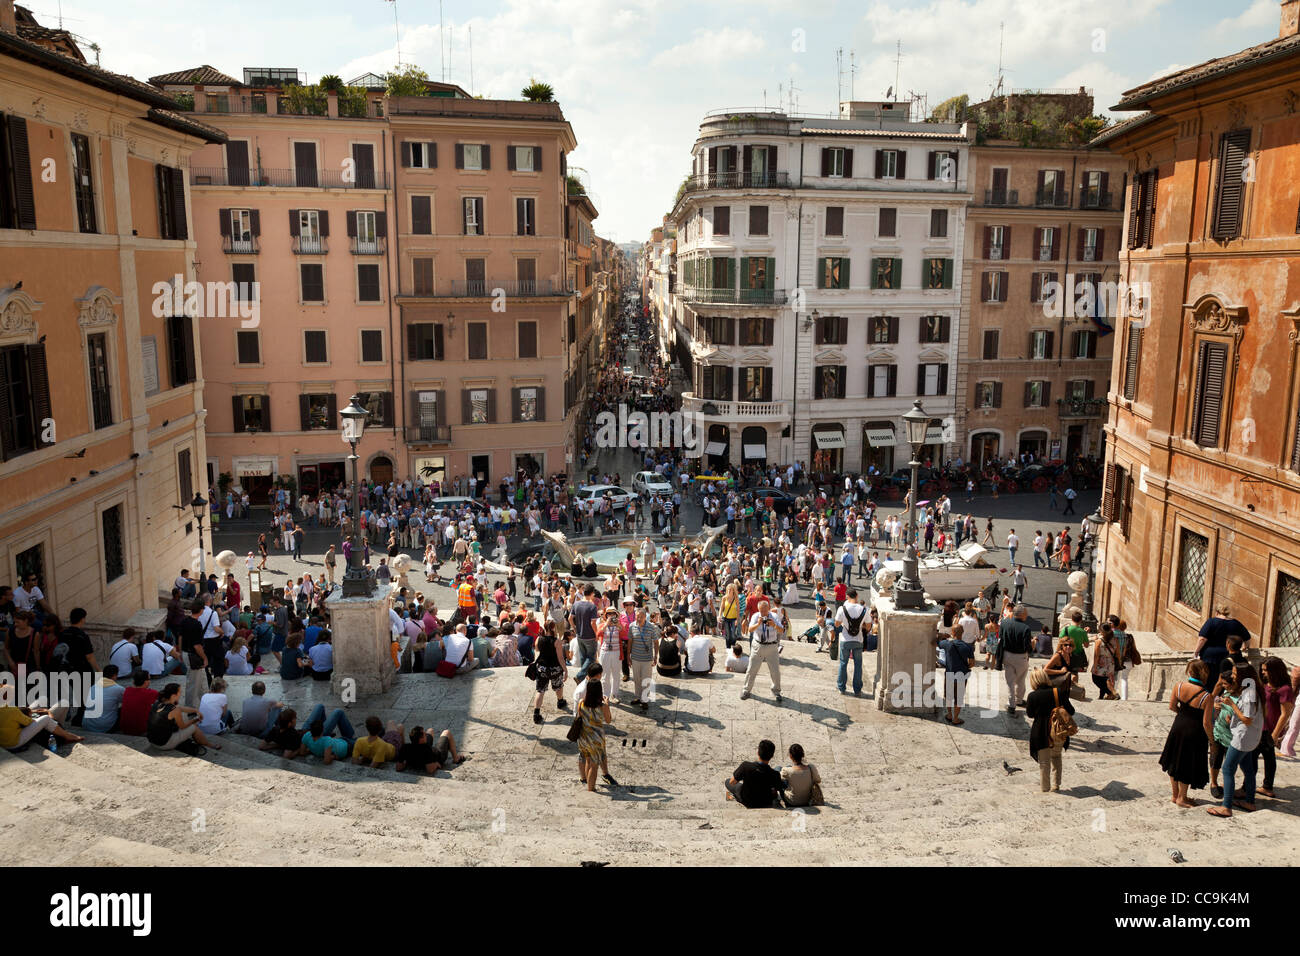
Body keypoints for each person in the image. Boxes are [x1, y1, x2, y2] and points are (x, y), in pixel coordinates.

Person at [1207, 662, 1262, 818]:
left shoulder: (1249, 693)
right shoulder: (1249, 690)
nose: (1233, 676)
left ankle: (1226, 807)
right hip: (1249, 738)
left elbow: (1247, 719)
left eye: (1236, 674)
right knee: (1248, 769)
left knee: (1227, 769)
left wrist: (1232, 705)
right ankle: (1249, 801)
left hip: (1242, 737)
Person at [1158, 660, 1211, 808]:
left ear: (1189, 671)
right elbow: (1207, 723)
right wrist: (1212, 740)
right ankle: (1183, 797)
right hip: (1195, 731)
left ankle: (1175, 795)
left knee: (1174, 760)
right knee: (1187, 763)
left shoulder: (1179, 686)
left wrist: (1183, 714)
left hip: (1178, 726)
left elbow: (1172, 706)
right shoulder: (1207, 696)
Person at [1025, 668, 1073, 793]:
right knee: (1056, 757)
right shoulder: (1057, 692)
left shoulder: (1032, 696)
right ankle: (1056, 785)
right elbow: (1071, 711)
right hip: (1057, 732)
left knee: (1044, 761)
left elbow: (1030, 714)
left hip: (1040, 732)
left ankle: (1045, 788)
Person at [146, 682, 219, 753]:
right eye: (179, 692)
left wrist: (196, 710)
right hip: (163, 744)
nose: (180, 694)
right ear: (174, 695)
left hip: (152, 741)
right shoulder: (174, 710)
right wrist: (195, 720)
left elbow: (180, 708)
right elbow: (183, 726)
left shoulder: (157, 703)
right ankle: (208, 744)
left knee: (182, 715)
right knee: (194, 727)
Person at [1258, 657, 1293, 800]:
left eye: (1266, 670)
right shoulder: (1267, 685)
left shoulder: (1285, 689)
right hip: (1261, 726)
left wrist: (1274, 735)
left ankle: (1260, 787)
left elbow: (1285, 714)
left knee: (1258, 757)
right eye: (1262, 670)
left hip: (1270, 729)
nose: (1263, 673)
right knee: (1268, 756)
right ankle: (1266, 786)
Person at [576, 679, 615, 792]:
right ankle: (591, 788)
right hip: (596, 739)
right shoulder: (602, 706)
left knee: (588, 760)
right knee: (594, 765)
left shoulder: (581, 702)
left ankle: (588, 782)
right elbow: (608, 721)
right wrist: (607, 705)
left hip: (583, 736)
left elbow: (580, 717)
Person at [725, 738, 788, 808]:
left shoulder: (745, 766)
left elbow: (732, 782)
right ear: (772, 756)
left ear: (758, 753)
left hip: (746, 800)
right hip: (765, 802)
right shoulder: (774, 774)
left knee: (727, 781)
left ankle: (734, 797)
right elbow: (778, 788)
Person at [742, 599, 783, 702]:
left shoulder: (774, 617)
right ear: (758, 609)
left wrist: (774, 625)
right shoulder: (756, 616)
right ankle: (746, 690)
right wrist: (758, 624)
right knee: (751, 669)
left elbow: (782, 630)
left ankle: (776, 691)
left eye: (765, 610)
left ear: (769, 608)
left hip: (772, 647)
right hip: (758, 645)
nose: (763, 613)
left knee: (775, 671)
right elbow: (750, 630)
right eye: (761, 610)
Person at [997, 604, 1034, 713]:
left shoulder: (1004, 623)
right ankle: (1018, 700)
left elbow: (1001, 638)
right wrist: (1032, 649)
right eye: (1026, 613)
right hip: (1021, 657)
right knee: (1021, 680)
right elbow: (1027, 646)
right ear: (1022, 615)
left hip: (1007, 655)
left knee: (1010, 681)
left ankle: (1011, 704)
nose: (1027, 615)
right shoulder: (1025, 628)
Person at [1194, 605, 1251, 675]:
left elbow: (1202, 639)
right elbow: (1247, 638)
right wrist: (1245, 647)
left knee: (1210, 680)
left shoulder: (1211, 622)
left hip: (1210, 658)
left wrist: (1196, 651)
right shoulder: (1235, 623)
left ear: (1217, 613)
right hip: (1228, 657)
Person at [531, 621, 569, 724]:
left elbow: (537, 651)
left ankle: (536, 713)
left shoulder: (539, 639)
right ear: (553, 628)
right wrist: (565, 670)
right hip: (554, 668)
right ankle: (560, 701)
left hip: (542, 668)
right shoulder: (557, 641)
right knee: (558, 686)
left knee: (540, 690)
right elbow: (560, 658)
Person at [833, 587, 867, 696]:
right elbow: (869, 626)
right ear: (857, 596)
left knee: (843, 663)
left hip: (845, 639)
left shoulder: (841, 609)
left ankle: (841, 688)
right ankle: (857, 690)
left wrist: (844, 624)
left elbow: (837, 624)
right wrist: (860, 626)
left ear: (847, 597)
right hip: (858, 640)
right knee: (858, 665)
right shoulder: (865, 609)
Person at [938, 624, 974, 725]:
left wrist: (943, 635)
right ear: (962, 633)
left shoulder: (947, 644)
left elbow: (937, 642)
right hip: (961, 676)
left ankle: (949, 714)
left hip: (949, 674)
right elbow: (972, 664)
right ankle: (956, 718)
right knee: (959, 698)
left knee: (948, 696)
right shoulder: (968, 647)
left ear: (952, 633)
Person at [395, 725, 466, 773]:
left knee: (430, 730)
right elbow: (430, 770)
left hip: (420, 748)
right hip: (439, 755)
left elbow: (398, 768)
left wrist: (408, 762)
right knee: (446, 732)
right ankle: (456, 758)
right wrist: (435, 763)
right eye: (424, 734)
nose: (425, 735)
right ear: (421, 739)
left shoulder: (405, 747)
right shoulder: (426, 750)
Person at [626, 606, 658, 712]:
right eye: (637, 616)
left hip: (647, 659)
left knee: (646, 680)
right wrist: (628, 656)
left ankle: (645, 699)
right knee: (637, 679)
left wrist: (655, 656)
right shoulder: (632, 626)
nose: (638, 618)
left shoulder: (651, 627)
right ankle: (639, 697)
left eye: (641, 616)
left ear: (645, 617)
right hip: (635, 657)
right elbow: (630, 641)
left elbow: (656, 642)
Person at [80, 665, 126, 734]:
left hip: (87, 724)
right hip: (104, 727)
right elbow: (128, 702)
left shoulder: (93, 687)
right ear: (115, 675)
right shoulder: (118, 689)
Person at [780, 743, 822, 808]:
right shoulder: (811, 767)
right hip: (806, 800)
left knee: (778, 769)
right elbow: (818, 780)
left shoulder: (786, 770)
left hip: (791, 801)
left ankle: (776, 800)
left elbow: (779, 780)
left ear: (790, 756)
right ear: (803, 755)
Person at [119, 670, 159, 736]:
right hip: (141, 730)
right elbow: (164, 698)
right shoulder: (150, 693)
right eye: (149, 679)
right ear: (146, 681)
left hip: (125, 729)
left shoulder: (127, 690)